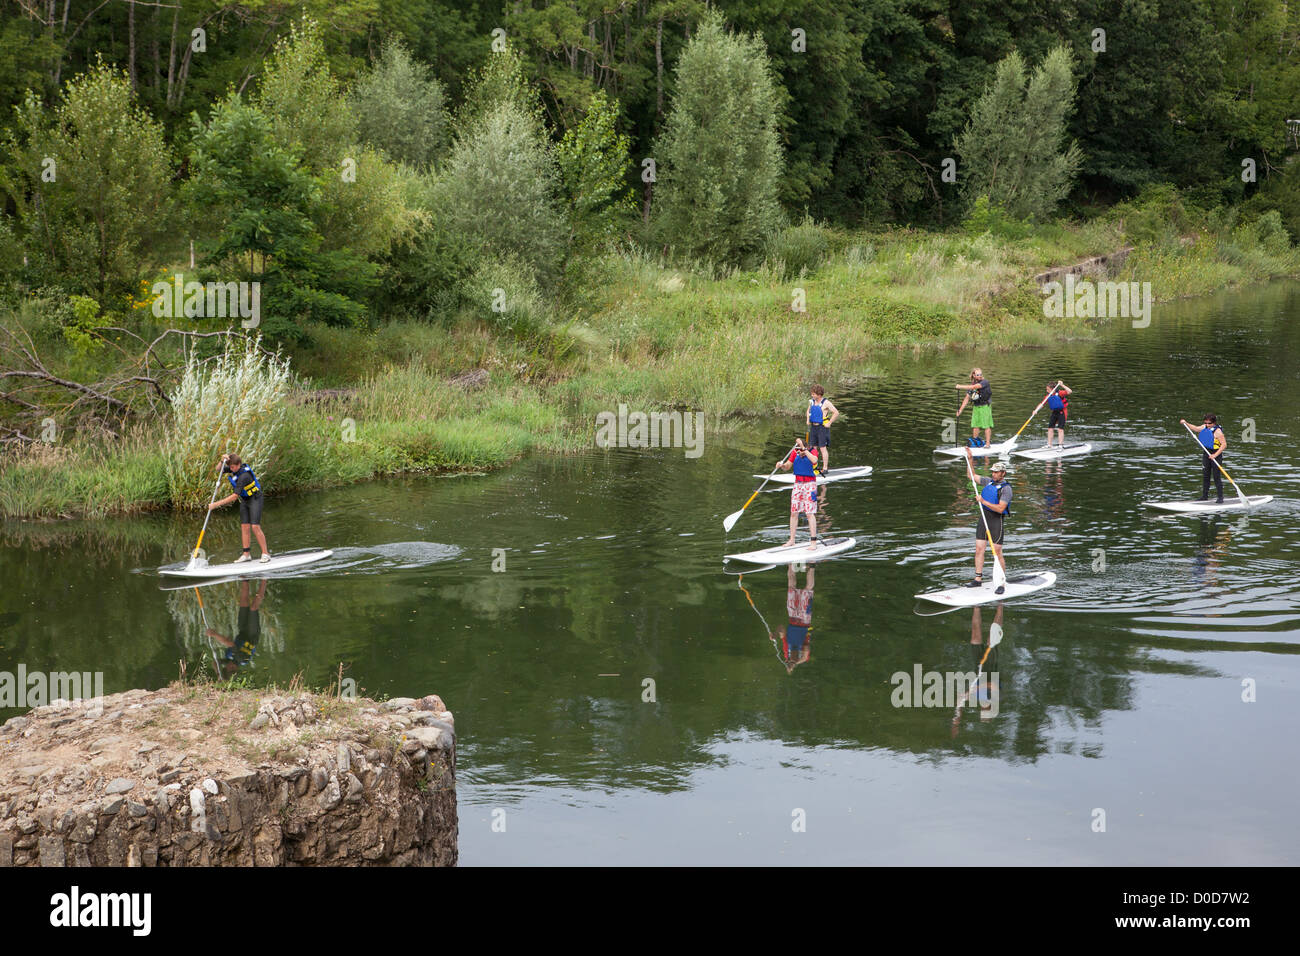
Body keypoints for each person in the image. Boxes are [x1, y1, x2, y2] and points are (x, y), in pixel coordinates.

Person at [208, 453, 270, 562]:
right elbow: (218, 469)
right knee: (244, 527)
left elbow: (235, 496)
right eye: (230, 467)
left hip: (255, 499)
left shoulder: (244, 476)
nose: (231, 469)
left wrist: (216, 505)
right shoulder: (234, 468)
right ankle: (246, 555)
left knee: (255, 527)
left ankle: (265, 554)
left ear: (239, 464)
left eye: (232, 467)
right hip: (245, 500)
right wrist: (222, 461)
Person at [965, 449, 1011, 593]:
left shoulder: (1006, 489)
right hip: (983, 519)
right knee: (979, 548)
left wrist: (983, 501)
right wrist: (970, 459)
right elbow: (971, 476)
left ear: (1003, 473)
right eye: (993, 472)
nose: (993, 474)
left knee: (997, 552)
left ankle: (1001, 583)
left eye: (996, 472)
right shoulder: (988, 482)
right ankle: (978, 579)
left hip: (996, 521)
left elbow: (1000, 508)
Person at [777, 438, 821, 548]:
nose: (799, 450)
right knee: (794, 512)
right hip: (798, 484)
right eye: (798, 448)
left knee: (809, 513)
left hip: (810, 485)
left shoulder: (812, 451)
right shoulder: (794, 452)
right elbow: (787, 466)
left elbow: (814, 460)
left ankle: (813, 542)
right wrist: (781, 466)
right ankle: (792, 540)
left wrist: (804, 449)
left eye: (800, 447)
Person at [1180, 414, 1228, 503]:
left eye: (1209, 423)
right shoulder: (1205, 426)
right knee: (1206, 475)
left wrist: (1215, 455)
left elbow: (1224, 445)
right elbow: (1196, 428)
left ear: (1214, 423)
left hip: (1216, 455)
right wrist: (1186, 423)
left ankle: (1220, 498)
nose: (1207, 425)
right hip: (1206, 453)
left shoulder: (1218, 432)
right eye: (1205, 423)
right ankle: (1204, 496)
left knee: (1216, 476)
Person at [956, 367, 993, 447]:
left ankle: (988, 444)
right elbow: (966, 398)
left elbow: (974, 387)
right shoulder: (972, 385)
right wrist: (960, 410)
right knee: (975, 426)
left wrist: (960, 386)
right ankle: (975, 442)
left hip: (985, 407)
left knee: (986, 425)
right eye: (977, 375)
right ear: (974, 375)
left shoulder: (985, 382)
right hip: (976, 407)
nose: (980, 376)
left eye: (980, 374)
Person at [806, 384, 839, 473]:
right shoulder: (812, 402)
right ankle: (814, 468)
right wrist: (808, 420)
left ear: (819, 394)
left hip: (822, 428)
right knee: (813, 448)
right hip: (813, 428)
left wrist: (829, 423)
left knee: (822, 448)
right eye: (812, 394)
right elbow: (808, 411)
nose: (812, 395)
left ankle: (825, 468)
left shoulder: (826, 402)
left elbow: (836, 413)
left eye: (813, 394)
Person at [1044, 380, 1072, 448]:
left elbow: (1069, 391)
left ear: (1052, 389)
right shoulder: (1048, 396)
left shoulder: (1060, 393)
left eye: (1048, 389)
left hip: (1062, 412)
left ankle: (1060, 445)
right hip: (1054, 412)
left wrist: (1062, 385)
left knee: (1060, 429)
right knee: (1050, 428)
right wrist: (1035, 410)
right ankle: (1049, 445)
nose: (1046, 390)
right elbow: (1042, 404)